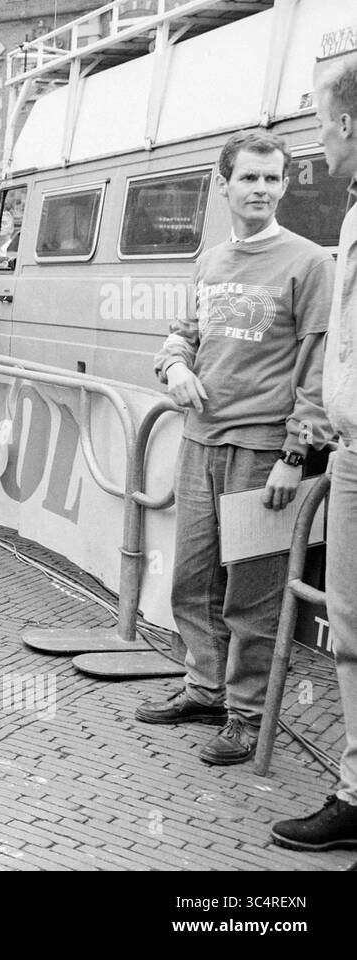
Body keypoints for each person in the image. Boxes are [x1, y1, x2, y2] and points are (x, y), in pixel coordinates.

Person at [136, 130, 333, 765]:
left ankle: (247, 717)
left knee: (253, 592)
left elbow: (318, 372)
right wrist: (174, 368)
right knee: (192, 584)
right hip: (199, 441)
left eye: (272, 179)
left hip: (262, 450)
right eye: (249, 178)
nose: (261, 190)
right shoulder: (210, 260)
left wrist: (294, 456)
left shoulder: (310, 264)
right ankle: (205, 688)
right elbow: (183, 333)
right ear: (223, 184)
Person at [271, 54, 357, 854]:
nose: (315, 142)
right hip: (353, 452)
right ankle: (356, 787)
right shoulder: (353, 209)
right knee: (352, 623)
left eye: (321, 122)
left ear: (350, 125)